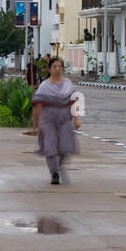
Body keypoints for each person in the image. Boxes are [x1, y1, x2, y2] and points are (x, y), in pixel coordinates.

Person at [31, 56, 80, 185]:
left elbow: (74, 102)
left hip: (64, 118)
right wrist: (36, 122)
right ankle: (54, 172)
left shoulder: (68, 84)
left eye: (60, 67)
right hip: (48, 120)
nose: (57, 69)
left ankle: (61, 165)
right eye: (55, 66)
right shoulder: (44, 86)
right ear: (49, 69)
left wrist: (77, 119)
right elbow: (38, 104)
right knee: (50, 146)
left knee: (66, 146)